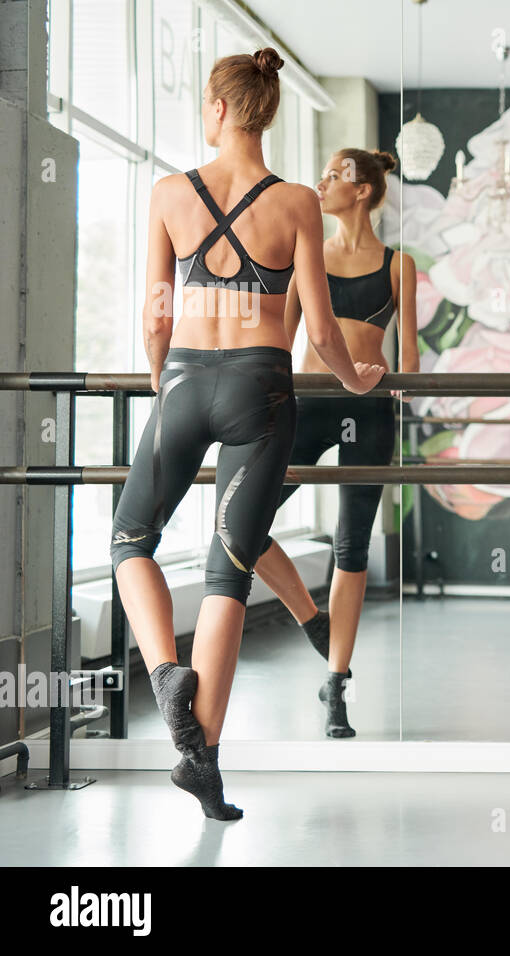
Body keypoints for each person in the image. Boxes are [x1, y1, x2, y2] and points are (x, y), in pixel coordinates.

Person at [109, 48, 385, 819]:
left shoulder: (169, 193)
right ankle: (206, 759)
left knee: (132, 540)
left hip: (188, 380)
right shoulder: (298, 202)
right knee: (232, 564)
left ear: (221, 109)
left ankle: (165, 671)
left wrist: (161, 374)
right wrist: (360, 380)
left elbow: (157, 312)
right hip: (264, 388)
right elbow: (324, 332)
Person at [252, 148, 418, 738]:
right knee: (246, 522)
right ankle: (310, 616)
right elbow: (282, 338)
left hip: (369, 411)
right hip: (308, 404)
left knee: (353, 547)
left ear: (365, 191)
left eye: (335, 175)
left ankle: (336, 683)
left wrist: (402, 395)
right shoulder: (309, 257)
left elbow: (410, 361)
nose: (321, 182)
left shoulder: (400, 266)